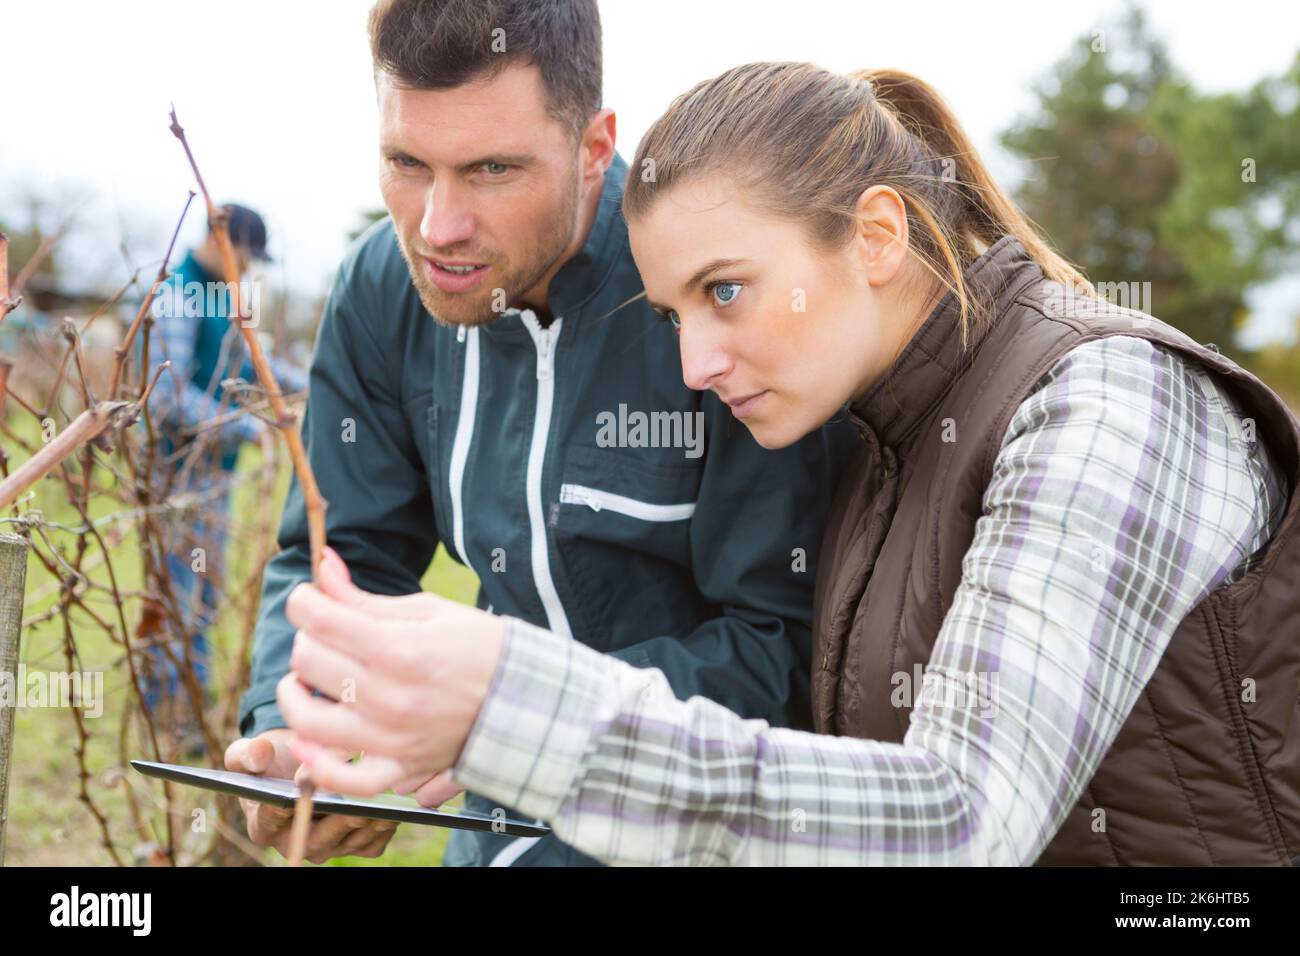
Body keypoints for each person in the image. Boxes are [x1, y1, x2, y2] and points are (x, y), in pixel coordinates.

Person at [277, 62, 1300, 866]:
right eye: (673, 313)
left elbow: (962, 819)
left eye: (725, 291)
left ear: (875, 235)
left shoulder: (1108, 403)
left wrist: (509, 703)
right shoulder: (869, 439)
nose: (693, 362)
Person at [225, 3, 856, 866]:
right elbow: (339, 563)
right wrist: (301, 737)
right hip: (490, 831)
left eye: (492, 169)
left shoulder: (708, 295)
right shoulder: (380, 286)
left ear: (596, 148)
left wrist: (516, 714)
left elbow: (787, 649)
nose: (437, 226)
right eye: (407, 162)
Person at [145, 203, 306, 729]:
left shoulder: (221, 294)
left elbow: (248, 363)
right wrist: (244, 427)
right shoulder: (179, 292)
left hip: (212, 472)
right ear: (219, 241)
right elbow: (165, 395)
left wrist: (309, 382)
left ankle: (186, 702)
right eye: (244, 255)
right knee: (179, 594)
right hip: (177, 474)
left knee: (203, 589)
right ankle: (172, 712)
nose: (249, 268)